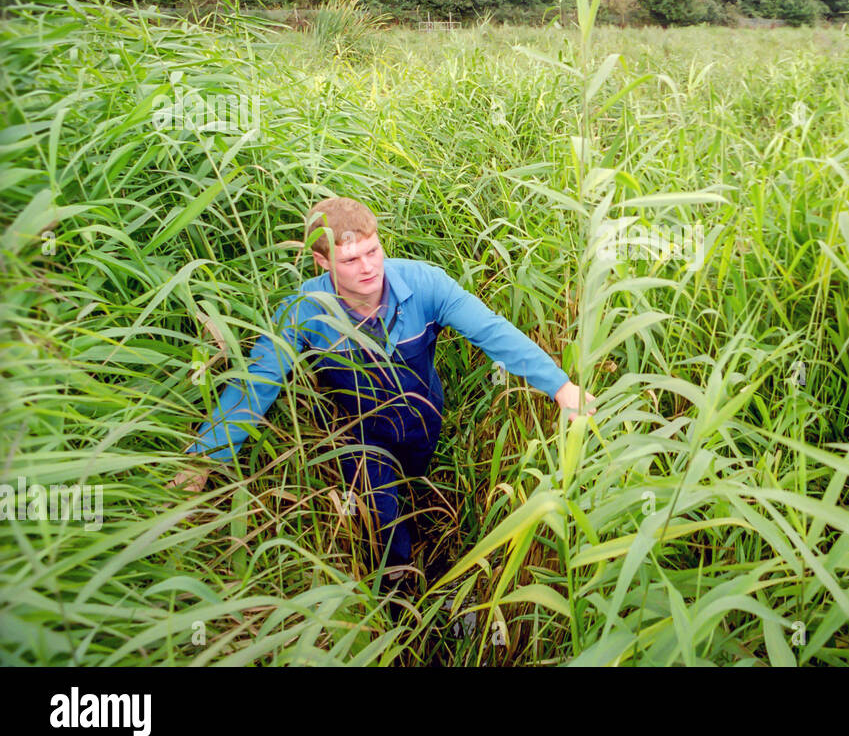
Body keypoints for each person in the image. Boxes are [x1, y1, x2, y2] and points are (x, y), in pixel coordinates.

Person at [169, 196, 594, 588]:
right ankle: (401, 588)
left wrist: (559, 386)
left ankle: (423, 512)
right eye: (350, 259)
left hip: (425, 415)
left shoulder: (425, 285)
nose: (368, 267)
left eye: (373, 252)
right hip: (361, 432)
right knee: (384, 516)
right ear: (322, 262)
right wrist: (205, 458)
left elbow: (492, 331)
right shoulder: (302, 310)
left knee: (415, 480)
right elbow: (255, 386)